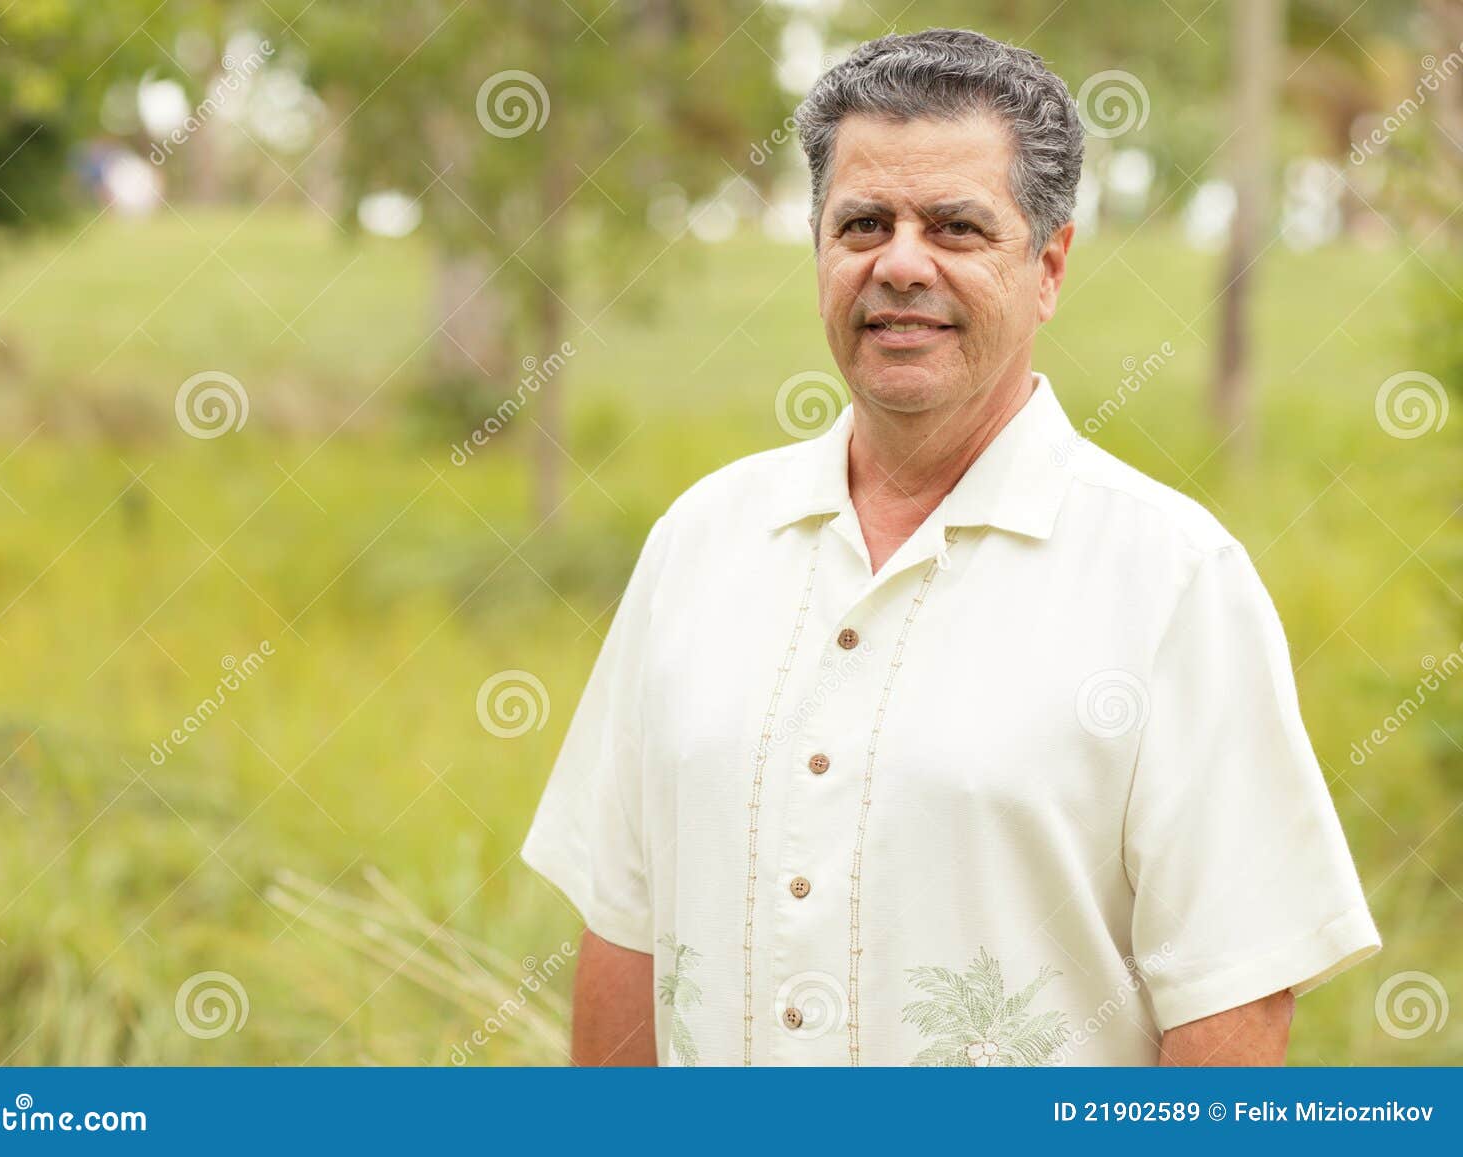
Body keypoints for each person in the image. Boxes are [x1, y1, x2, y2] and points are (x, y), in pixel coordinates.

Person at [521, 27, 1379, 1066]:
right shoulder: (699, 542)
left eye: (956, 227)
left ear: (1047, 266)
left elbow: (1231, 999)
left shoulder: (1171, 581)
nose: (899, 263)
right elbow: (625, 924)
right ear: (819, 251)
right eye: (862, 224)